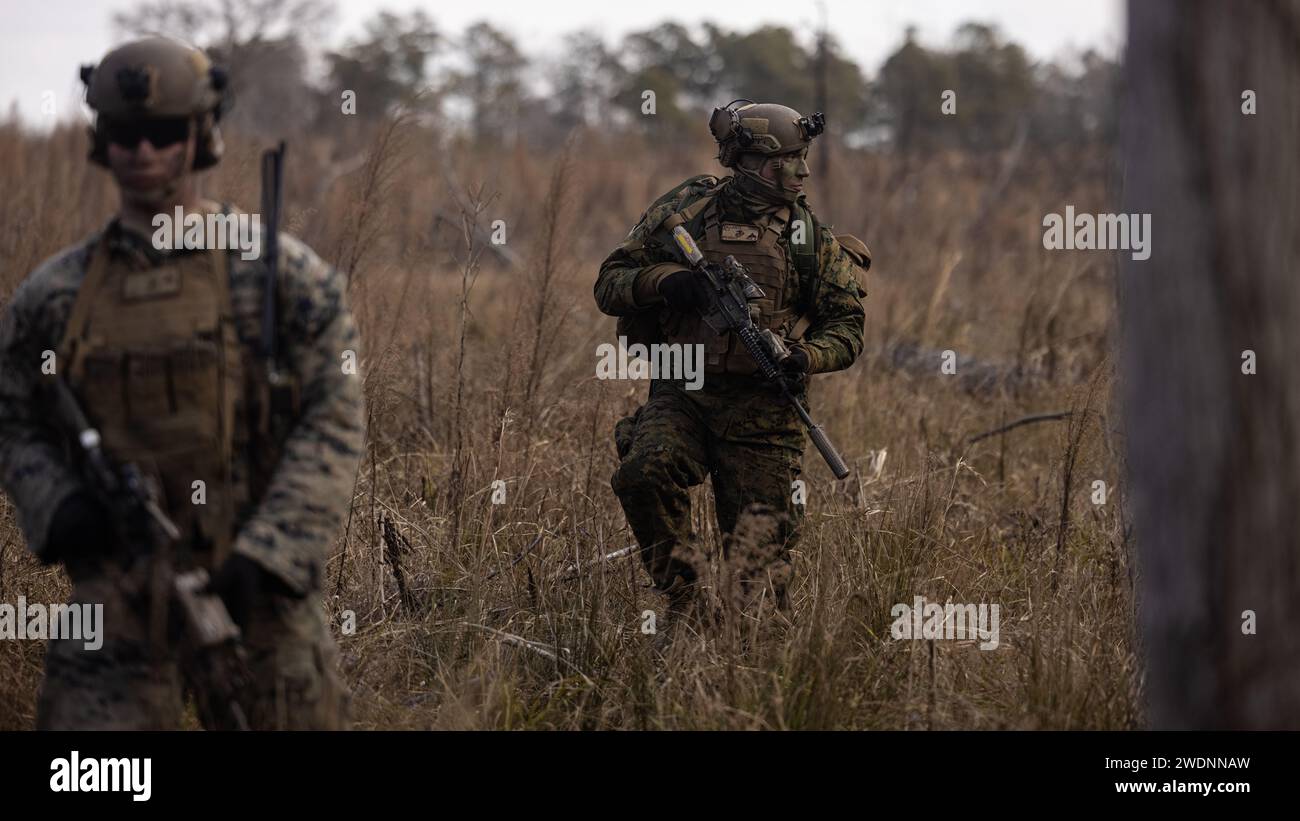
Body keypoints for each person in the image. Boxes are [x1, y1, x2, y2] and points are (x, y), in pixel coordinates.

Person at [0, 37, 365, 729]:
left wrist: (272, 552)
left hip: (259, 594)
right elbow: (14, 415)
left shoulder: (279, 277)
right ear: (104, 141)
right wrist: (60, 507)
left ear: (198, 137)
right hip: (117, 586)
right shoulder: (55, 295)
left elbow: (334, 415)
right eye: (128, 134)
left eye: (163, 134)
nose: (143, 152)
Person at [595, 100, 870, 627]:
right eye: (787, 160)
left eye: (804, 157)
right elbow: (610, 283)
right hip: (683, 391)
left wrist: (804, 357)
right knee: (642, 475)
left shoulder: (807, 239)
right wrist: (667, 283)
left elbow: (847, 328)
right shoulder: (689, 210)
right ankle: (688, 604)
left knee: (759, 587)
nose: (802, 170)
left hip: (765, 415)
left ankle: (749, 667)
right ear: (749, 163)